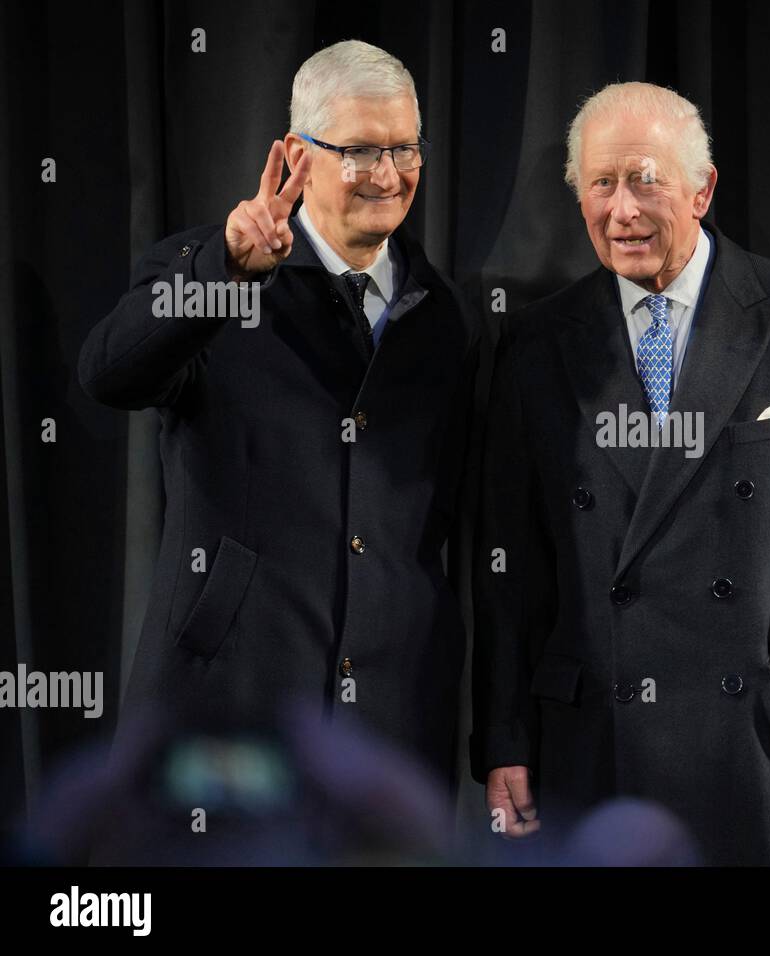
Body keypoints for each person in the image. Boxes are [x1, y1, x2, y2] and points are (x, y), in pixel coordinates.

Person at [472, 81, 770, 865]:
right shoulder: (538, 344)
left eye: (645, 180)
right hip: (593, 748)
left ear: (702, 189)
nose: (622, 210)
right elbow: (510, 560)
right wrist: (505, 736)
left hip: (760, 744)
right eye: (601, 185)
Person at [78, 40, 480, 784]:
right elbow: (109, 375)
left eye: (405, 149)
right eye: (361, 151)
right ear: (298, 153)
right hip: (230, 709)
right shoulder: (212, 272)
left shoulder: (450, 315)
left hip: (392, 729)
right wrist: (223, 271)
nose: (388, 176)